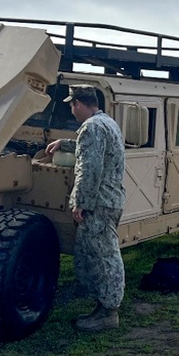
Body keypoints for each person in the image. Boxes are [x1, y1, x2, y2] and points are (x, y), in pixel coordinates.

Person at [46, 85, 126, 332]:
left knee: (104, 257)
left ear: (78, 104)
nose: (72, 111)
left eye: (72, 106)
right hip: (109, 200)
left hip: (98, 203)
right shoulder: (106, 123)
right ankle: (103, 307)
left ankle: (109, 312)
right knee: (99, 254)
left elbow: (89, 169)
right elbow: (94, 149)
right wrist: (65, 143)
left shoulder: (92, 127)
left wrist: (80, 202)